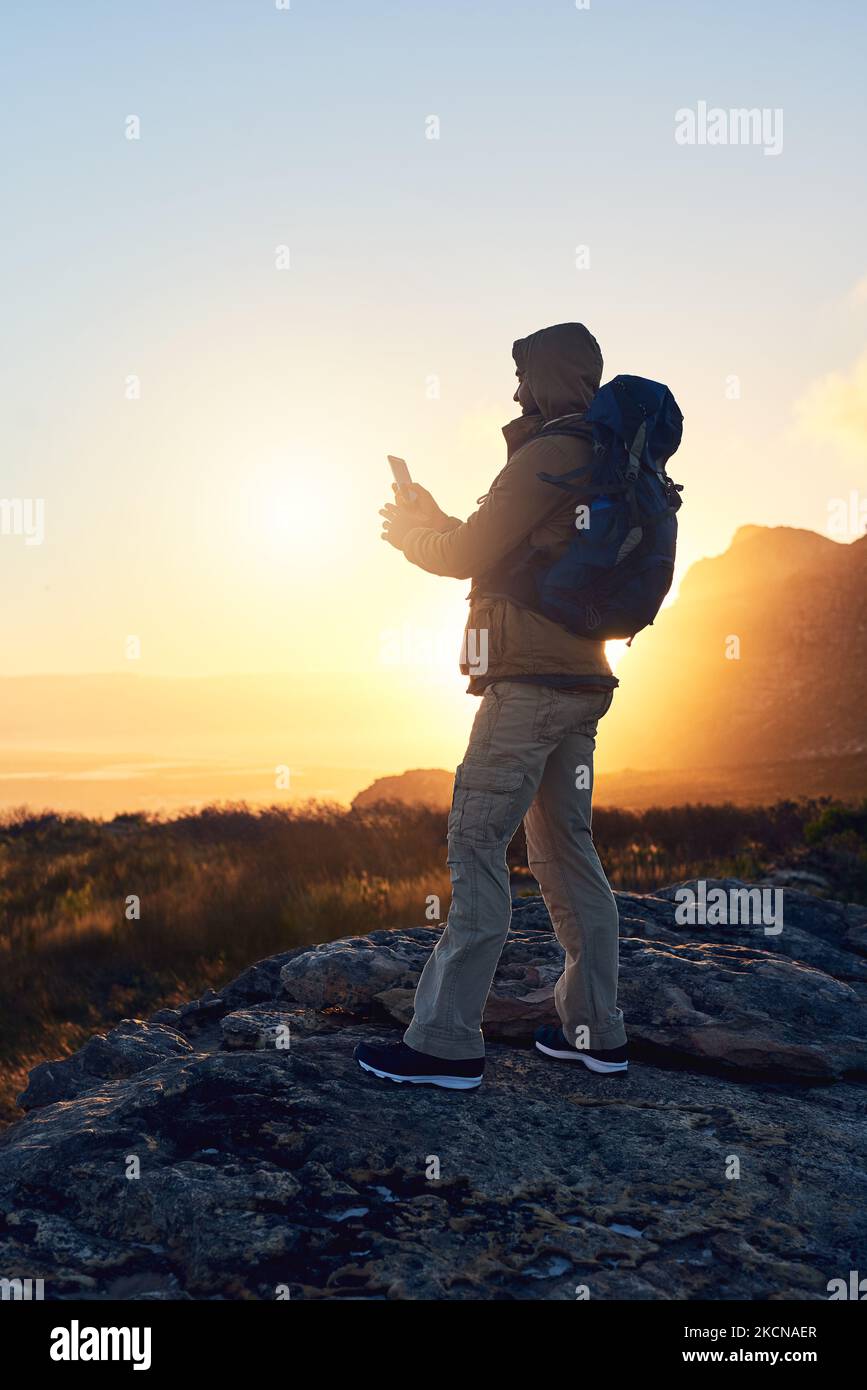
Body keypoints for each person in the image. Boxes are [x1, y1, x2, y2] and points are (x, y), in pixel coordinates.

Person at [355, 323, 628, 1091]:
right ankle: (594, 1031)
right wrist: (434, 515)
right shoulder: (602, 455)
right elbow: (504, 552)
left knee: (477, 842)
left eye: (521, 376)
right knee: (566, 852)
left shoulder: (548, 452)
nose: (514, 391)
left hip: (529, 687)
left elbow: (466, 557)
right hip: (581, 683)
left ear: (545, 376)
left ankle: (444, 1044)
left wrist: (412, 532)